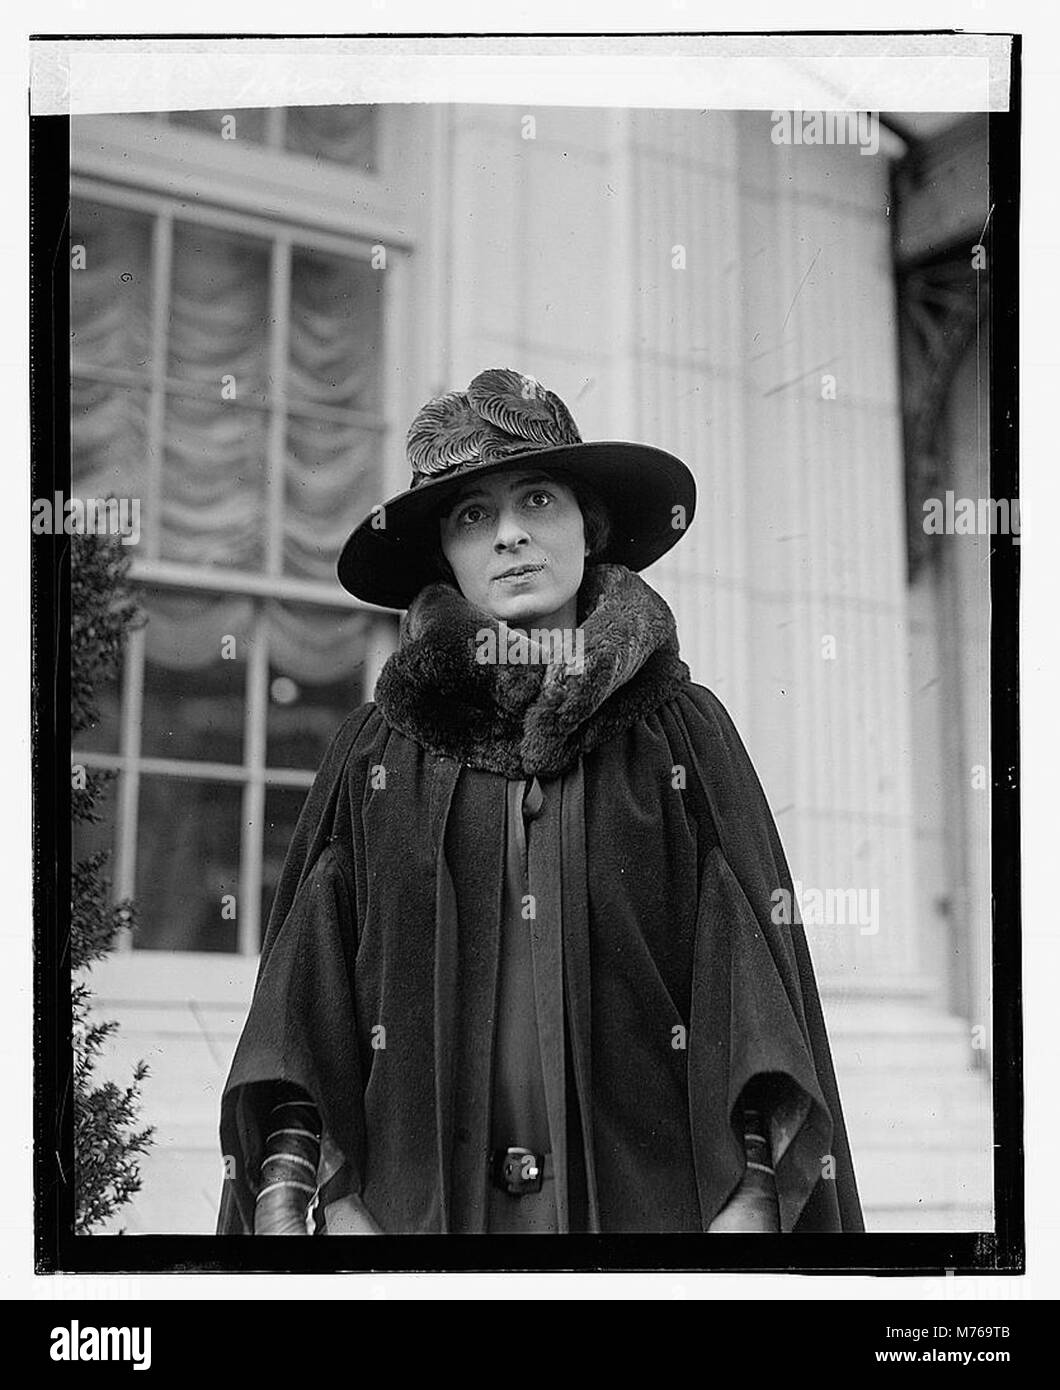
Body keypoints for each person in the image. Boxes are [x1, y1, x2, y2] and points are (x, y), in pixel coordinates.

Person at [216, 367, 864, 1236]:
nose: (511, 536)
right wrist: (328, 1199)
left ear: (590, 528)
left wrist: (749, 1201)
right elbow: (308, 999)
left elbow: (748, 997)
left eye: (539, 501)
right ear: (443, 553)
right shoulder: (376, 752)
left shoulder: (681, 735)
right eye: (474, 517)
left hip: (651, 1223)